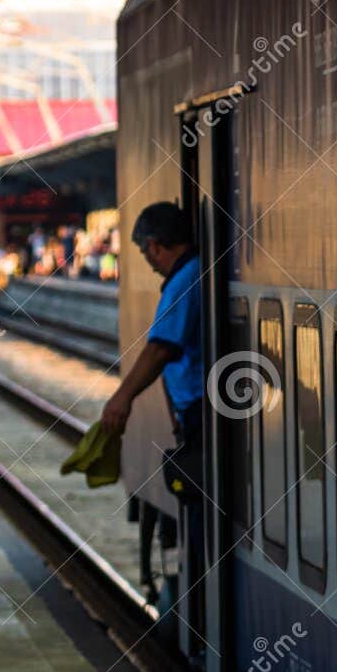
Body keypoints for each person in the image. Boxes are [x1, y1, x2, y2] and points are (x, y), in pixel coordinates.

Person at [100, 203, 204, 639]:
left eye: (146, 253)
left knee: (200, 509)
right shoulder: (194, 273)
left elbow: (160, 348)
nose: (149, 261)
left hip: (201, 412)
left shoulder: (184, 280)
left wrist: (122, 397)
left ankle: (199, 612)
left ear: (156, 246)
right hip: (199, 410)